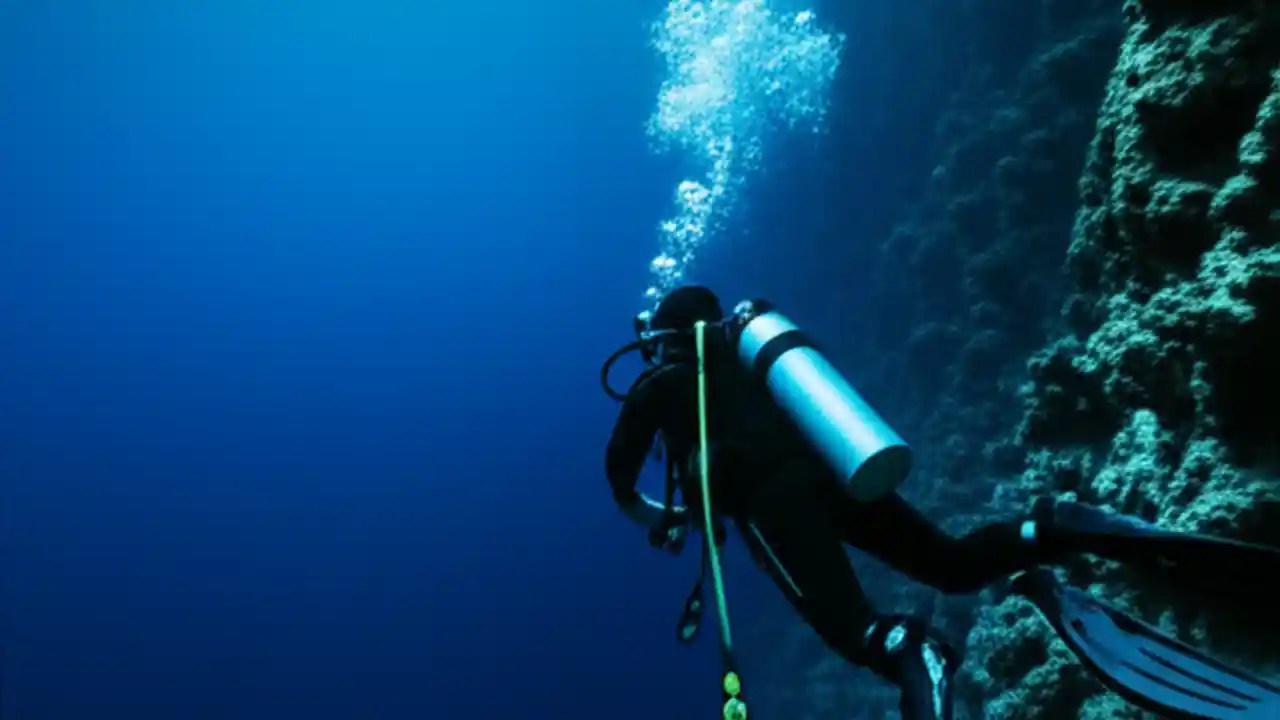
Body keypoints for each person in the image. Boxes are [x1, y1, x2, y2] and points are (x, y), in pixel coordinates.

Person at [602, 285, 1280, 720]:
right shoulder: (751, 354)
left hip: (771, 508)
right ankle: (1059, 525)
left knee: (855, 632)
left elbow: (618, 478)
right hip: (835, 473)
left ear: (660, 340)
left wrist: (668, 520)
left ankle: (913, 652)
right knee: (951, 564)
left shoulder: (659, 387)